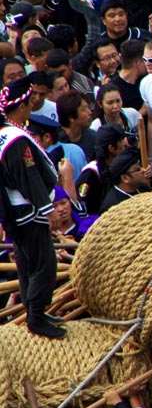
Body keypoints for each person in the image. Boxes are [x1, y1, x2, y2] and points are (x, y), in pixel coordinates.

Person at [0, 77, 63, 338]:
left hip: (18, 211)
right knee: (43, 263)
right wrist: (47, 211)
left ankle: (33, 309)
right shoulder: (14, 140)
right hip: (28, 212)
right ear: (23, 106)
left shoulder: (5, 132)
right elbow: (30, 179)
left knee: (27, 262)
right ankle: (35, 315)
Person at [98, 147, 150, 214]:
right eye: (138, 169)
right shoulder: (112, 207)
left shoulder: (143, 188)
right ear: (125, 178)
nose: (143, 170)